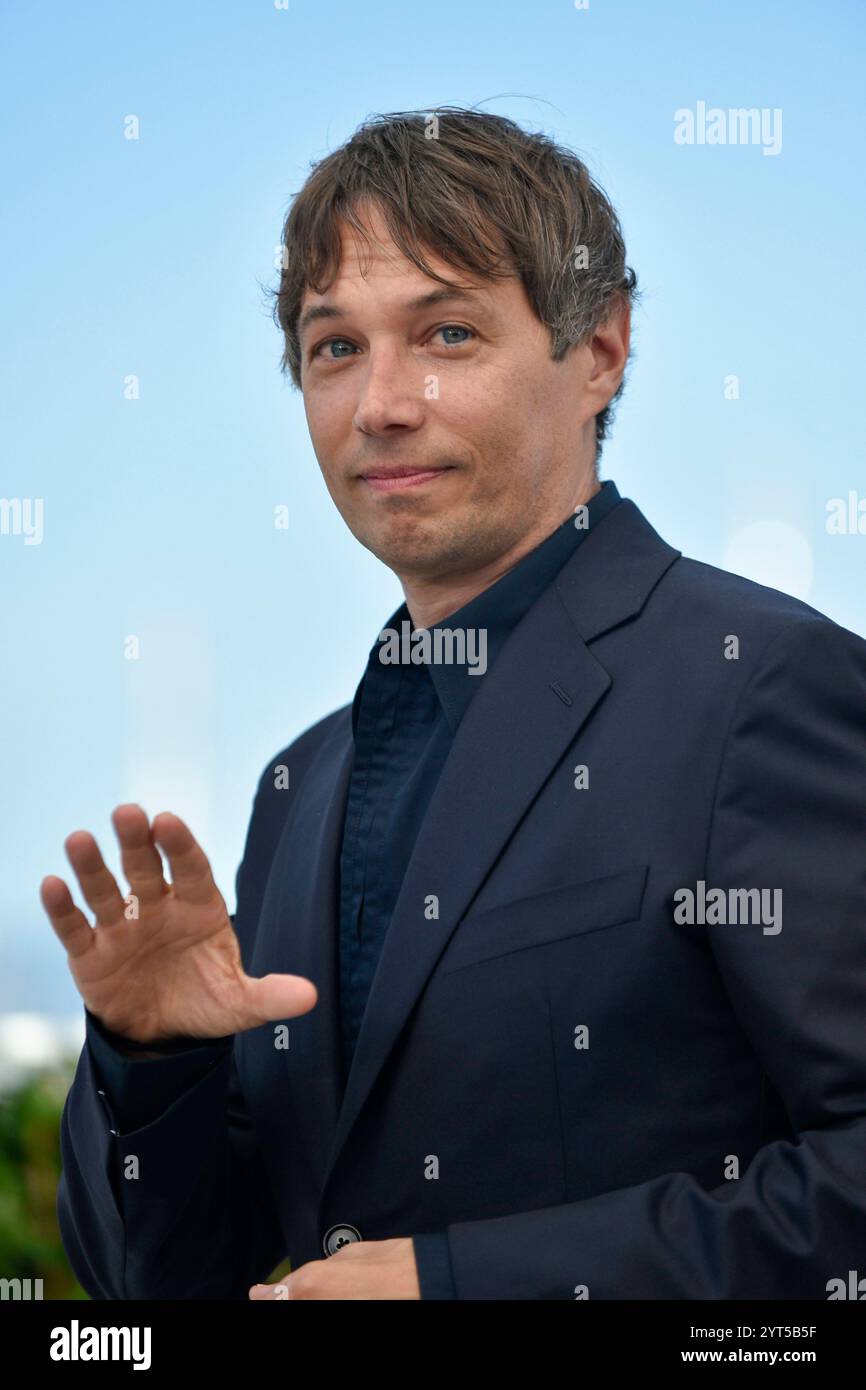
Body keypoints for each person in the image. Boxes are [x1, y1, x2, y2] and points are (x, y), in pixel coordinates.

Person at [42, 108, 866, 1300]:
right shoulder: (300, 783)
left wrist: (459, 1285)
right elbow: (159, 1283)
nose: (380, 402)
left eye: (445, 330)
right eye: (333, 349)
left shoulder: (763, 687)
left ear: (599, 349)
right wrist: (151, 1057)